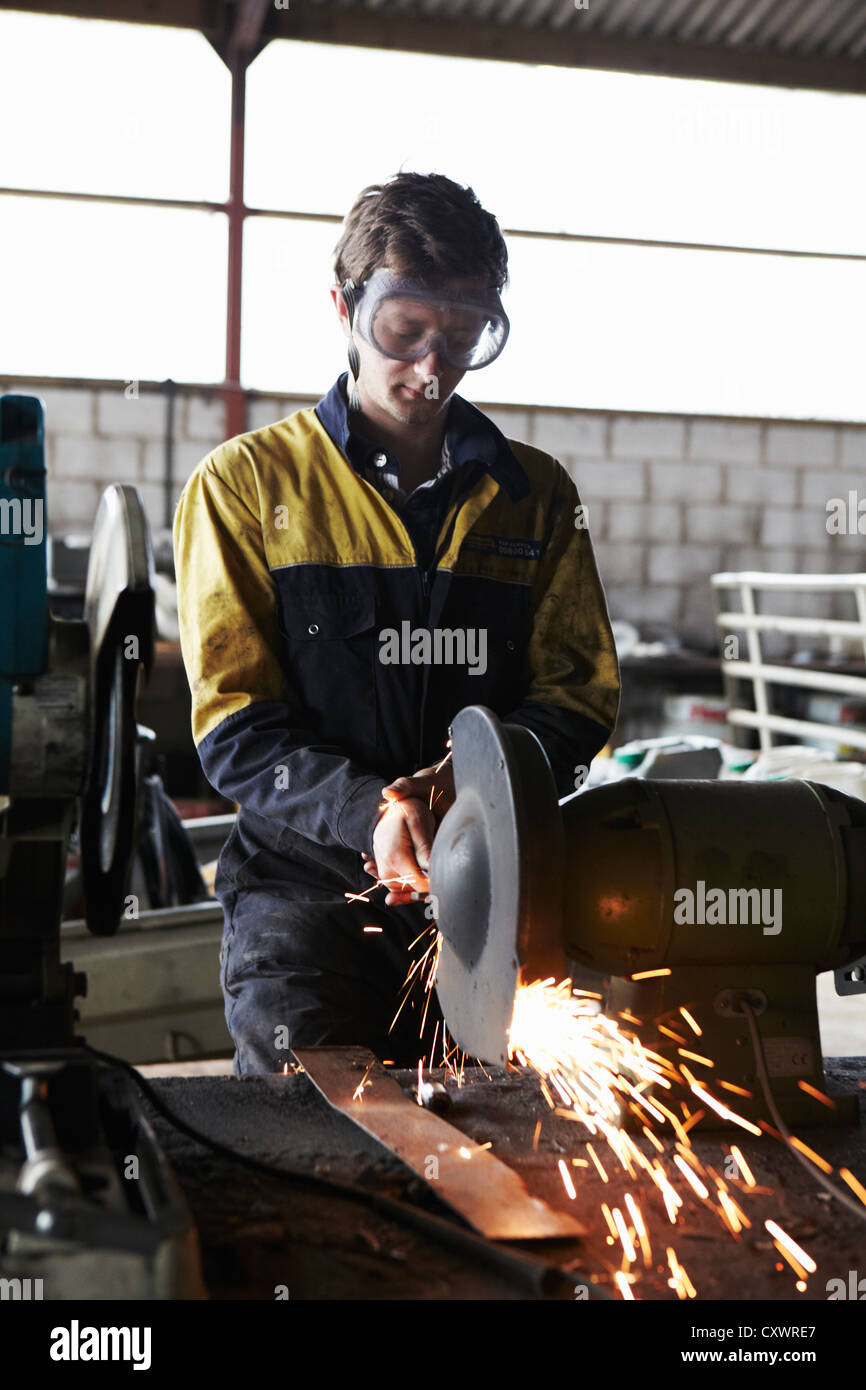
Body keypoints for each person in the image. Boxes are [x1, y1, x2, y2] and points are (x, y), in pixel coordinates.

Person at [172, 171, 620, 1075]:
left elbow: (576, 699)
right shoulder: (248, 488)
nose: (432, 368)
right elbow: (236, 729)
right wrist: (368, 813)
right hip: (305, 899)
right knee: (315, 1133)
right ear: (344, 306)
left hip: (491, 890)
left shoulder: (533, 499)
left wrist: (470, 782)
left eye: (462, 336)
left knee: (505, 1139)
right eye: (405, 330)